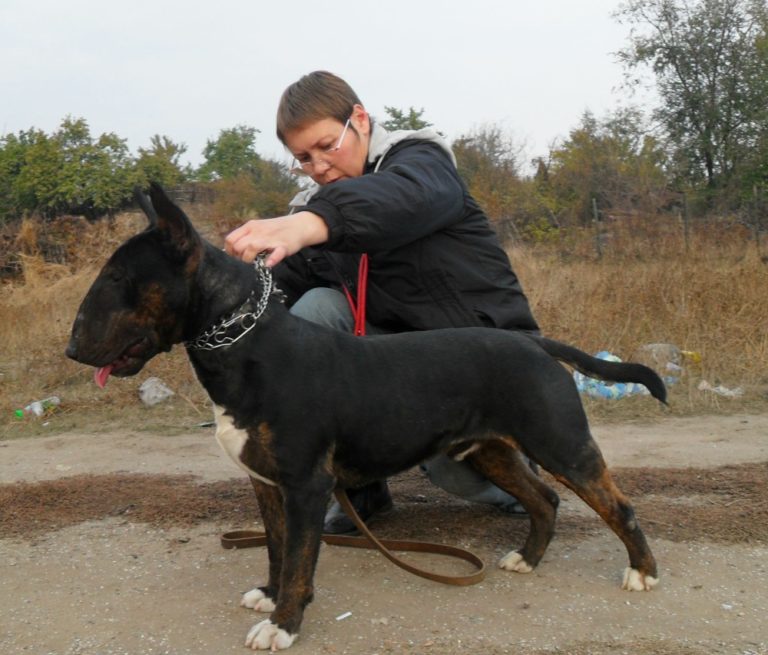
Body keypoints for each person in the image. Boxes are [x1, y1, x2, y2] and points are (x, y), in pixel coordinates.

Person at [224, 70, 540, 535]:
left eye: (327, 145)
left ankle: (525, 473)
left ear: (359, 119)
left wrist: (308, 224)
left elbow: (400, 200)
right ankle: (360, 488)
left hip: (487, 365)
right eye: (303, 158)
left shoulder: (421, 162)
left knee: (458, 475)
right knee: (316, 311)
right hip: (408, 368)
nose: (318, 167)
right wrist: (209, 292)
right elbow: (275, 287)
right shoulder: (319, 206)